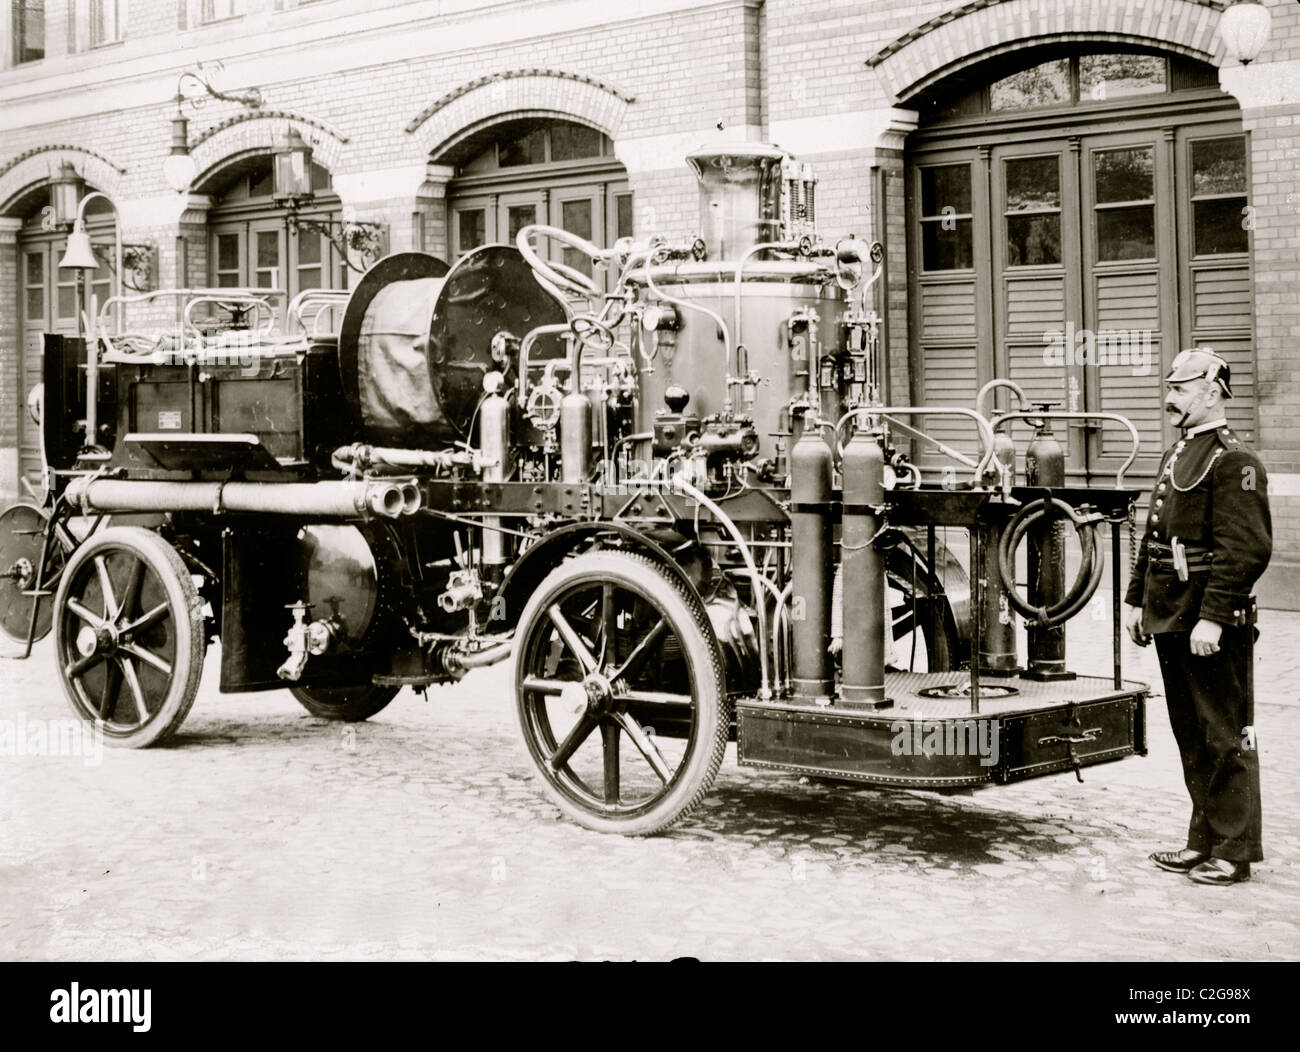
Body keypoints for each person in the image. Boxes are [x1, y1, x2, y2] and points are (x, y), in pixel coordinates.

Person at [1124, 348, 1271, 886]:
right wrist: (1136, 601)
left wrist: (1214, 617)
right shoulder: (1180, 451)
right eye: (1169, 388)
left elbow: (1246, 550)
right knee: (1192, 733)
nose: (1170, 399)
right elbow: (1155, 536)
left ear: (1212, 393)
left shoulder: (1235, 460)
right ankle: (1202, 841)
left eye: (1180, 390)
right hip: (1172, 613)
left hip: (1207, 620)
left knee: (1224, 734)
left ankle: (1235, 852)